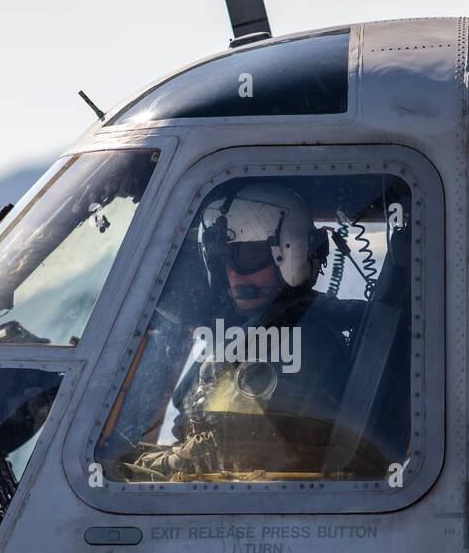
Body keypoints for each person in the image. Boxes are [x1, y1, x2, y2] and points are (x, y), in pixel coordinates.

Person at [128, 183, 356, 480]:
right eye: (221, 258)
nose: (233, 273)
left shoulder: (309, 342)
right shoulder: (238, 332)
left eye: (246, 256)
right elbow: (191, 429)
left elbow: (239, 451)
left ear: (291, 251)